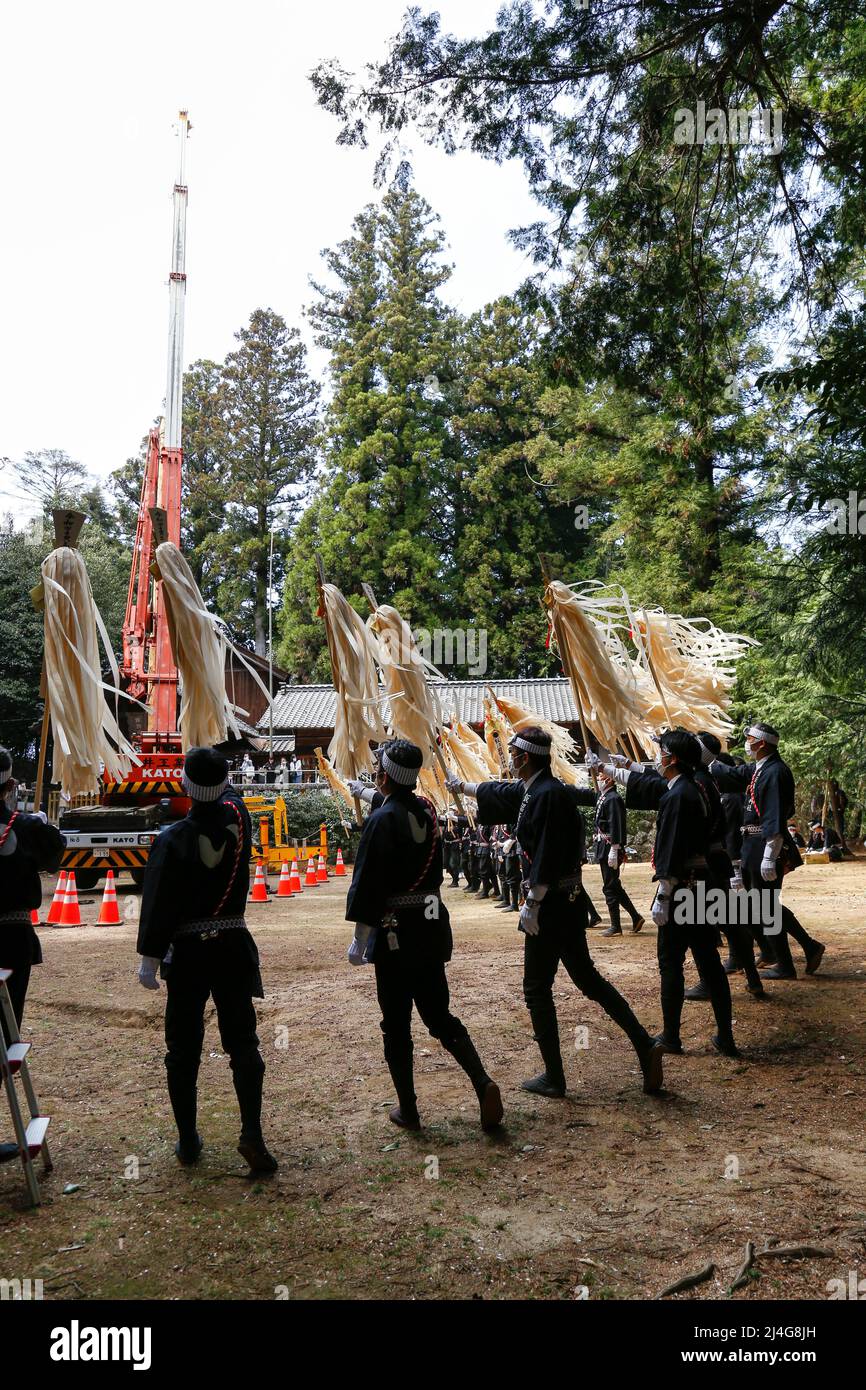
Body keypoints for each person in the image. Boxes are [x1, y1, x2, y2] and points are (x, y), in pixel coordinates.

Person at [447, 728, 665, 1098]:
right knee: (587, 979)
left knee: (536, 988)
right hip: (566, 902)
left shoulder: (545, 795)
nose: (509, 758)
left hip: (549, 906)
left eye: (513, 752)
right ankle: (644, 1044)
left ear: (525, 757)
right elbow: (500, 791)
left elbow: (546, 852)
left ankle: (555, 1076)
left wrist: (532, 901)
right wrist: (462, 786)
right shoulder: (542, 789)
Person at [346, 740, 503, 1132]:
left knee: (395, 1024)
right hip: (430, 927)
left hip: (396, 930)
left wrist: (361, 935)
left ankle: (409, 1108)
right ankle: (482, 1083)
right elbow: (392, 802)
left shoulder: (382, 821)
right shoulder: (428, 811)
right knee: (439, 1016)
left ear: (383, 776)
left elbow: (368, 881)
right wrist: (365, 791)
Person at [137, 746, 277, 1173]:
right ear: (224, 784)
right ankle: (252, 1133)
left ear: (185, 786)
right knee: (243, 1043)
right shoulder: (241, 823)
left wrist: (149, 958)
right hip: (232, 945)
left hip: (189, 954)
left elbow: (157, 904)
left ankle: (188, 1139)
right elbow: (224, 791)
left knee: (183, 1047)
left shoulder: (170, 839)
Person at [593, 728, 739, 1060]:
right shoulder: (697, 787)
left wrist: (664, 893)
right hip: (701, 886)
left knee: (670, 962)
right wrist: (617, 768)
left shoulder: (678, 795)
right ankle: (725, 1036)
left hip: (682, 891)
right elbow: (648, 784)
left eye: (660, 751)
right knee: (709, 961)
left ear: (671, 759)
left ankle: (671, 1035)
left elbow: (671, 848)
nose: (656, 756)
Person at [705, 723, 825, 979]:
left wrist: (770, 854)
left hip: (764, 845)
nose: (746, 743)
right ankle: (805, 947)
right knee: (763, 904)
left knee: (764, 905)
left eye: (749, 739)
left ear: (761, 743)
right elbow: (733, 773)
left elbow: (774, 815)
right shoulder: (760, 769)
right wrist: (707, 760)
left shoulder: (774, 771)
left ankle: (787, 962)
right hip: (752, 844)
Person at [0, 746, 65, 1163]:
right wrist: (41, 824)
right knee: (5, 1036)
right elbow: (54, 855)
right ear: (9, 785)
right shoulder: (20, 825)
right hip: (10, 937)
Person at [590, 766, 645, 938]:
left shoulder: (613, 798)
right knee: (614, 885)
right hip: (604, 845)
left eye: (600, 775)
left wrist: (615, 848)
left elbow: (616, 824)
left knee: (610, 887)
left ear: (610, 779)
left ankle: (616, 925)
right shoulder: (604, 796)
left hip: (610, 847)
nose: (598, 778)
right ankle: (636, 917)